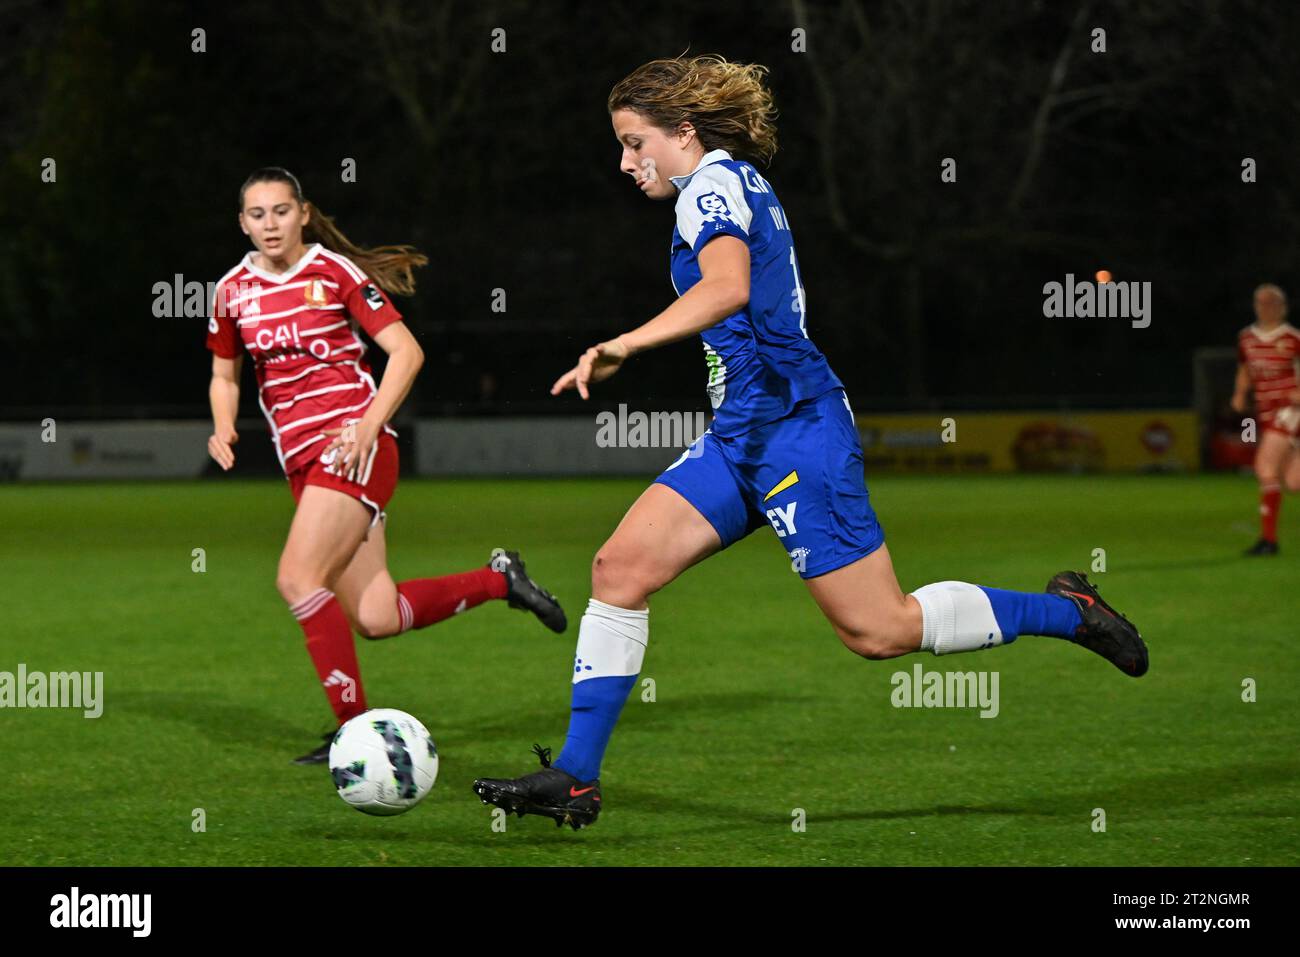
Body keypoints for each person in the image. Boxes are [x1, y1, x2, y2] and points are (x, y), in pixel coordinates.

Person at [472, 57, 1148, 830]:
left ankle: (1069, 611)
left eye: (634, 143)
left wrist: (626, 343)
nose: (625, 162)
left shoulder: (710, 188)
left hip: (796, 431)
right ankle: (577, 777)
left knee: (879, 630)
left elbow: (725, 287)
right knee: (618, 569)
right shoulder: (722, 183)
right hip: (742, 436)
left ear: (682, 134)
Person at [205, 167, 567, 764]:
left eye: (280, 211)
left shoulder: (334, 272)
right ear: (242, 223)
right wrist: (223, 425)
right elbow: (225, 373)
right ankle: (501, 580)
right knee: (377, 615)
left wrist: (370, 423)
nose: (269, 224)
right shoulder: (232, 291)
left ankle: (355, 732)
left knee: (297, 579)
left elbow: (407, 352)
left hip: (353, 448)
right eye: (256, 214)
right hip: (304, 465)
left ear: (303, 213)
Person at [1231, 283, 1300, 556]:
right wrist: (1239, 393)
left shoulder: (1293, 338)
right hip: (1267, 411)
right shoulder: (1246, 337)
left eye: (1272, 302)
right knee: (1293, 483)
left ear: (1283, 307)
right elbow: (1245, 368)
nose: (1266, 307)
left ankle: (1268, 541)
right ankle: (1268, 540)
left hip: (1289, 411)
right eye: (1262, 302)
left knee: (1264, 467)